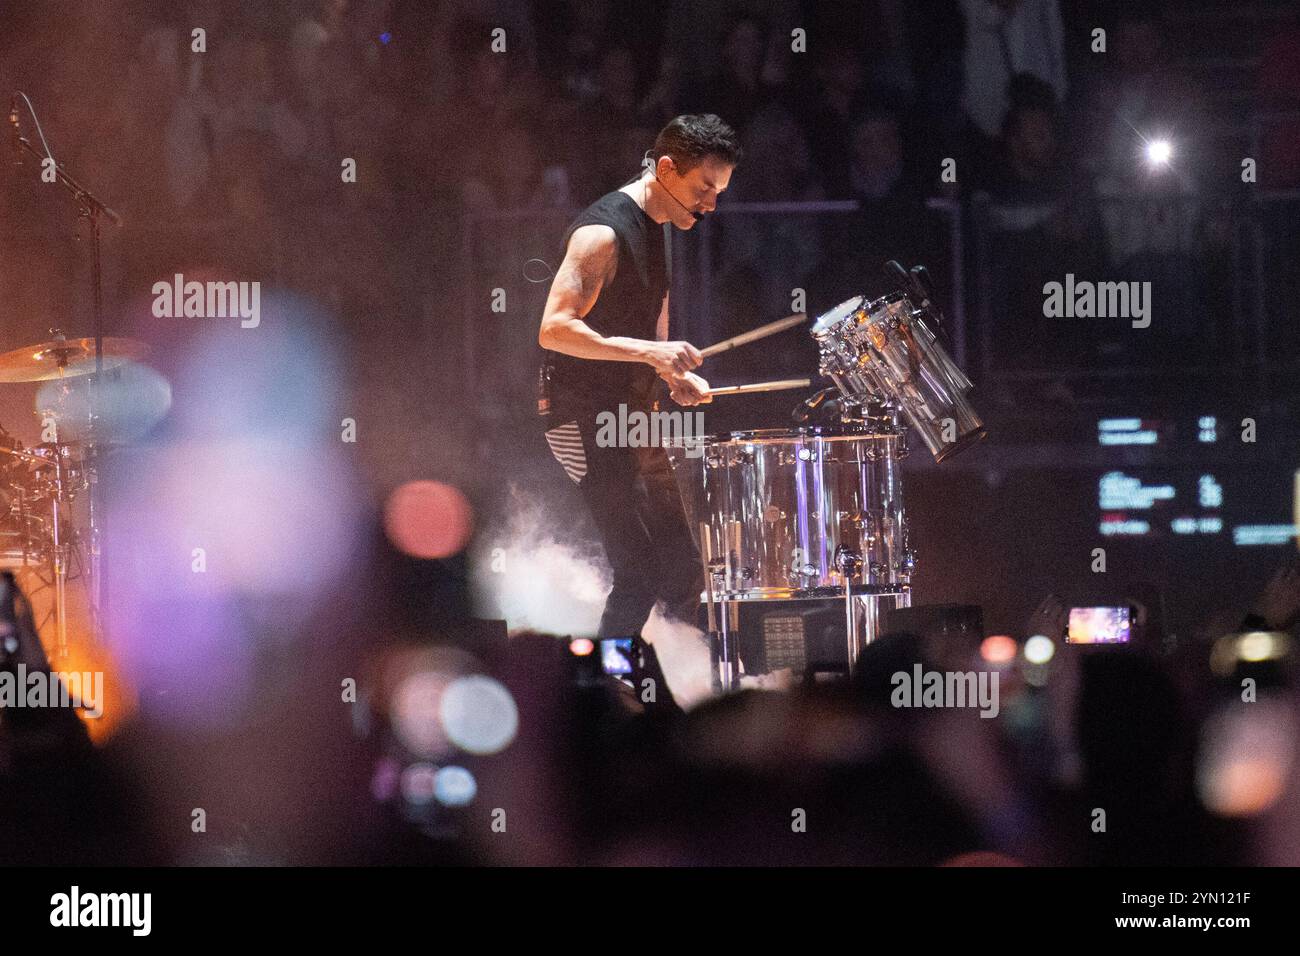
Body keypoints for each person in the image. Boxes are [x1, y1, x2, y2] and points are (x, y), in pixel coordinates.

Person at [536, 114, 741, 639]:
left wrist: (669, 376)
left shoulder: (661, 225)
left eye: (719, 191)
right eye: (705, 188)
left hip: (630, 415)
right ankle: (599, 696)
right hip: (580, 417)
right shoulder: (602, 234)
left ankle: (687, 688)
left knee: (681, 565)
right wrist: (653, 353)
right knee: (639, 574)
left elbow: (655, 316)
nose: (712, 204)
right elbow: (555, 329)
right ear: (668, 169)